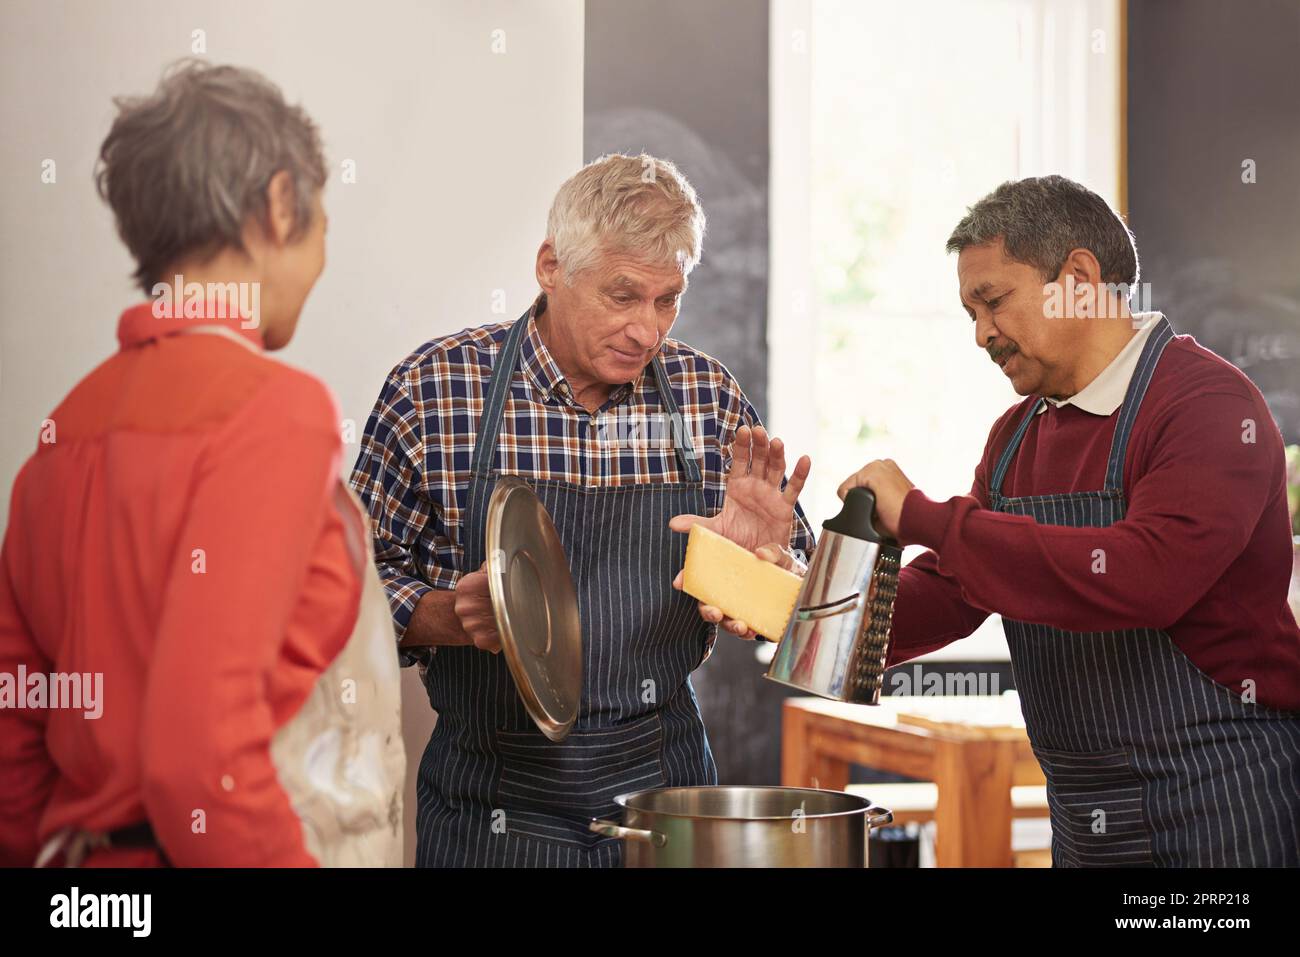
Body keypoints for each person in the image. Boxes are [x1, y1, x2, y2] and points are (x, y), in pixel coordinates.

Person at [705, 175, 1300, 867]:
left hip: (1223, 812)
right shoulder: (1016, 437)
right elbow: (952, 594)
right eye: (970, 313)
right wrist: (787, 589)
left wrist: (927, 515)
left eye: (993, 301)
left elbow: (1146, 576)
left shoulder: (1206, 405)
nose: (983, 333)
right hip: (1084, 816)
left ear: (1077, 276)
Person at [350, 153, 813, 867]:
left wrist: (769, 572)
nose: (646, 330)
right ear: (550, 266)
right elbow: (350, 586)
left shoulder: (706, 397)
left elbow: (804, 615)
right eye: (623, 295)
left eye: (668, 300)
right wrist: (451, 615)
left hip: (666, 801)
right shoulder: (435, 390)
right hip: (492, 806)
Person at [0, 60, 403, 867]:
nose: (324, 255)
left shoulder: (60, 434)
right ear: (282, 203)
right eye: (322, 221)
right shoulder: (275, 411)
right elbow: (198, 756)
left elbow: (15, 734)